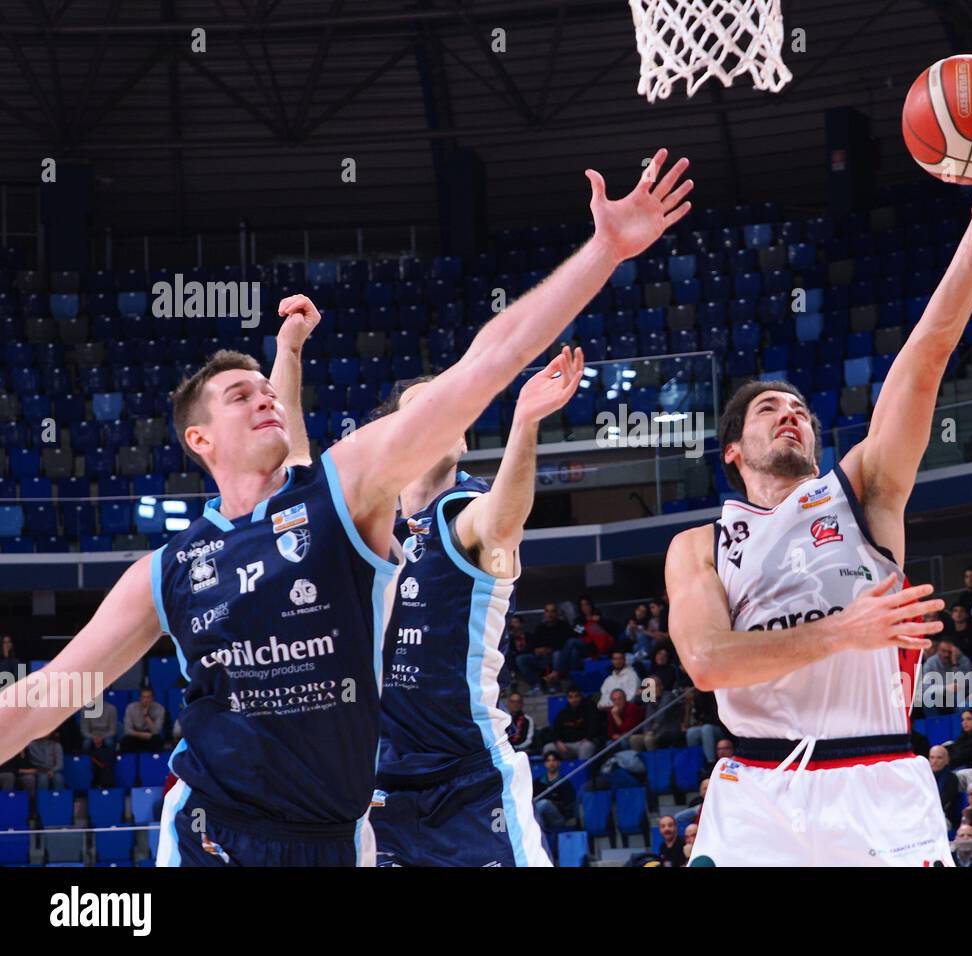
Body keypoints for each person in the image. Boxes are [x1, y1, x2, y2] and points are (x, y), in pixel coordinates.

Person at [0, 154, 693, 868]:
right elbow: (55, 690)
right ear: (199, 440)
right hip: (210, 835)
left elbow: (486, 363)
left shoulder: (346, 492)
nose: (264, 399)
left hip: (335, 840)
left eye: (266, 391)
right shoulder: (167, 569)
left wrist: (604, 251)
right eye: (240, 396)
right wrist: (286, 351)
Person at [661, 128, 972, 868]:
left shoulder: (862, 490)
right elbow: (706, 661)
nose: (790, 415)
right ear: (732, 449)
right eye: (769, 408)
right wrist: (842, 632)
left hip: (876, 778)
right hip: (757, 790)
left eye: (800, 409)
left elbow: (928, 354)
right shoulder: (699, 546)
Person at [367, 345, 587, 868]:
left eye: (449, 408)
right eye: (423, 408)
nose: (439, 415)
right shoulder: (369, 528)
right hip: (377, 787)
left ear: (462, 437)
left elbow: (503, 522)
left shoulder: (466, 513)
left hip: (470, 782)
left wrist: (525, 423)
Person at [544, 687, 603, 762]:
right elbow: (555, 731)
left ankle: (582, 769)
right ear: (567, 698)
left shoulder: (589, 710)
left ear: (580, 697)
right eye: (571, 697)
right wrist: (557, 742)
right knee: (548, 747)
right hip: (565, 746)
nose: (574, 699)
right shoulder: (562, 714)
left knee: (587, 746)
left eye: (576, 696)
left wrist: (588, 738)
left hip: (582, 744)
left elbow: (595, 727)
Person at [532, 752, 577, 832]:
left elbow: (569, 806)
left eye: (554, 760)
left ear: (559, 763)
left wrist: (555, 804)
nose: (551, 763)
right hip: (541, 818)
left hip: (558, 819)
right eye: (548, 761)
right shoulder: (537, 782)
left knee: (544, 803)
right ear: (545, 764)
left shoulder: (564, 783)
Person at [679, 685, 724, 759]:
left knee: (707, 728)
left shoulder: (717, 695)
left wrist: (702, 721)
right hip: (705, 726)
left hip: (721, 728)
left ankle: (711, 761)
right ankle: (696, 761)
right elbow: (697, 717)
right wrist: (688, 704)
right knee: (691, 733)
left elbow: (716, 718)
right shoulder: (700, 698)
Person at [119, 687, 165, 754]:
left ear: (153, 698)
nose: (146, 700)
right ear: (140, 698)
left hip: (150, 735)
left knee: (157, 741)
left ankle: (154, 759)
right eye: (143, 697)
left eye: (148, 697)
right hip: (135, 734)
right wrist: (141, 735)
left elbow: (156, 731)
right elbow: (127, 730)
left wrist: (146, 716)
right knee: (126, 741)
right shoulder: (131, 708)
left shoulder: (159, 709)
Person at [930, 745, 961, 829]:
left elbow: (942, 802)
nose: (934, 761)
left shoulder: (952, 778)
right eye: (932, 757)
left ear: (947, 760)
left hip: (944, 817)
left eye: (939, 758)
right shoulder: (925, 777)